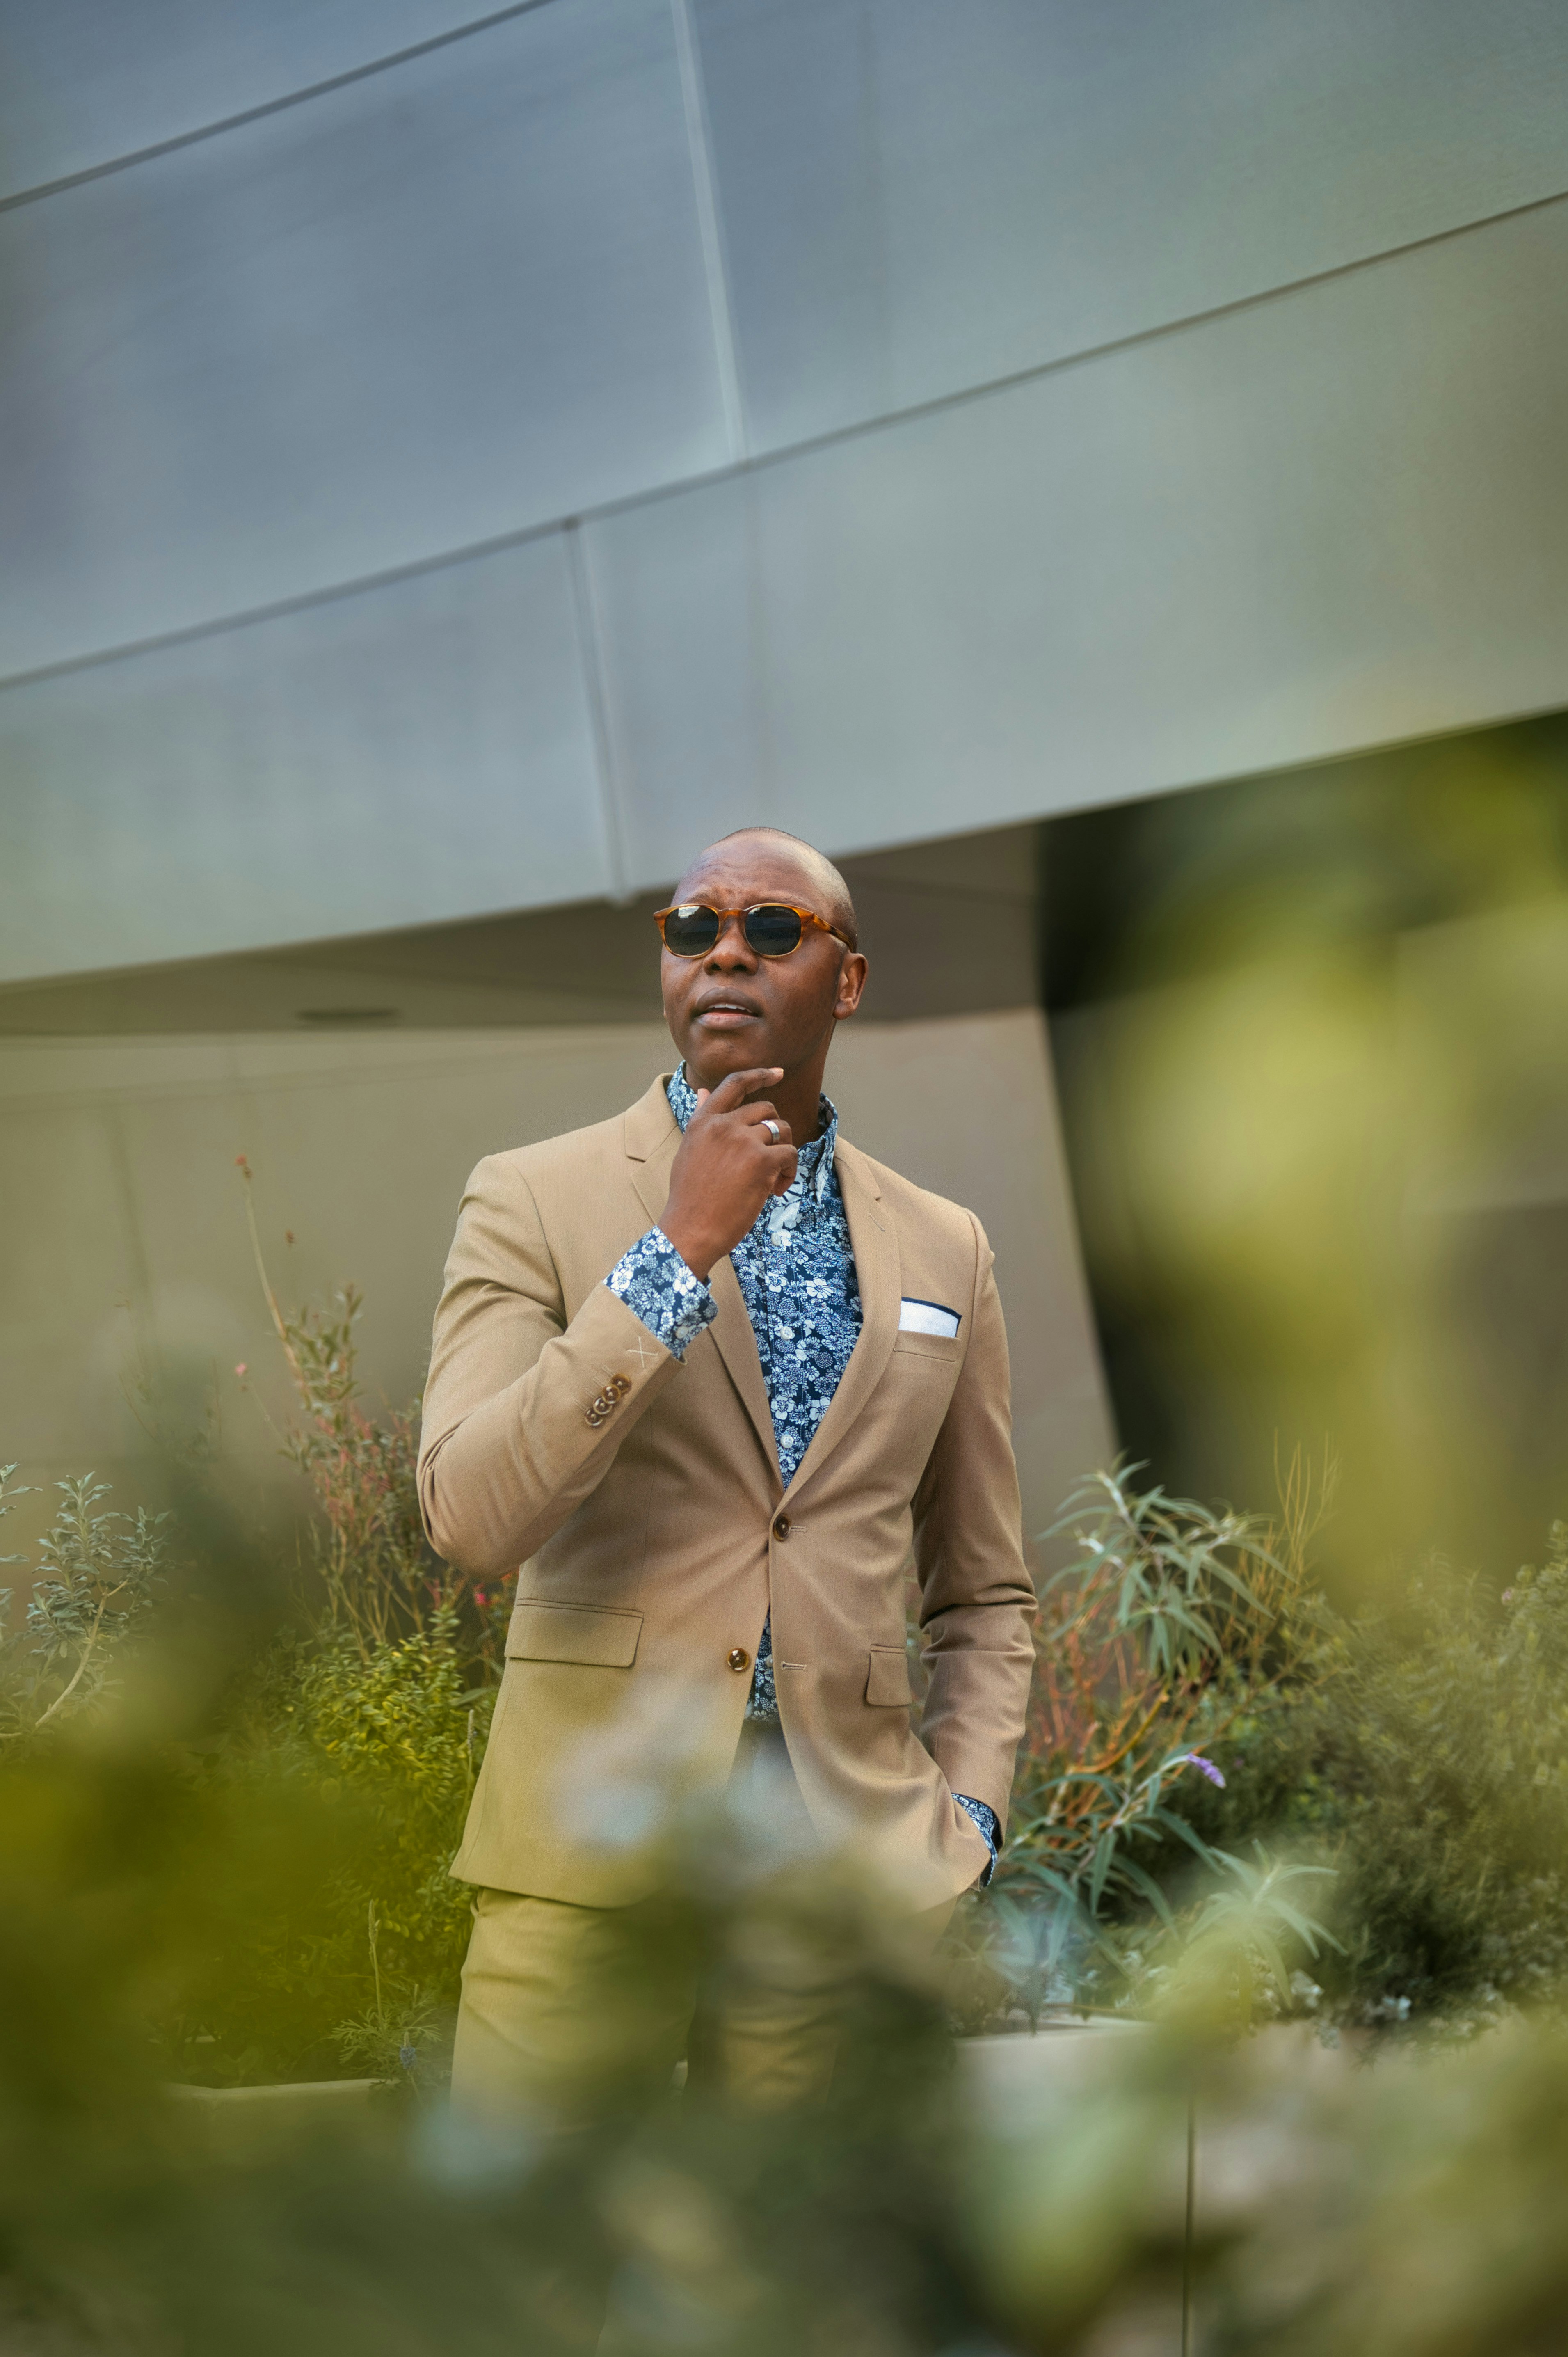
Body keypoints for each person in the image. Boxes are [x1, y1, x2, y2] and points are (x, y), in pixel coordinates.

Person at [417, 826, 1037, 2117]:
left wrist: (966, 1821)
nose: (724, 957)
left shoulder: (947, 1246)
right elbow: (471, 1514)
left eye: (772, 930)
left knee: (797, 2295)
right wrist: (673, 1253)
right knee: (525, 2288)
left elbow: (984, 1594)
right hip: (589, 1855)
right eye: (693, 929)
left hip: (840, 1880)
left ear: (847, 982)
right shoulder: (530, 1198)